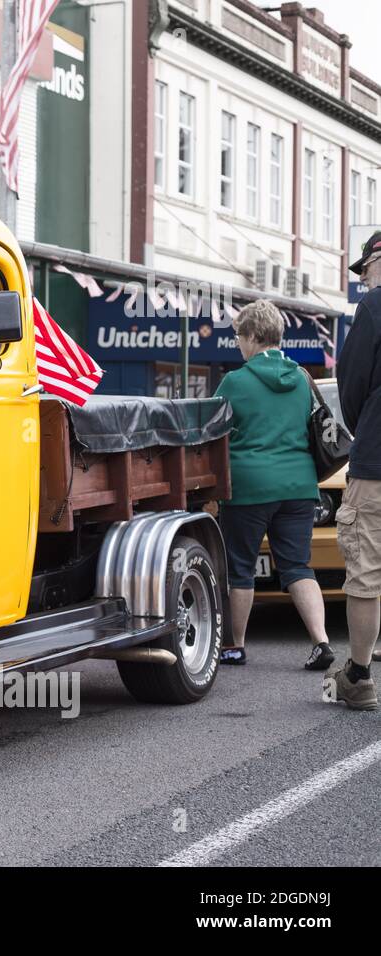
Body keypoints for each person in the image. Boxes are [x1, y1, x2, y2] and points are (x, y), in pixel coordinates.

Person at [213, 299, 332, 670]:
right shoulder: (302, 378)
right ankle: (322, 642)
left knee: (241, 568)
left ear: (252, 336)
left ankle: (235, 646)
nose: (238, 344)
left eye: (238, 337)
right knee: (298, 566)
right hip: (298, 485)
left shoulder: (235, 382)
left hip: (249, 486)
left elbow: (216, 434)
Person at [327, 231, 381, 710]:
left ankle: (360, 676)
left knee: (367, 572)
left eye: (363, 271)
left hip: (378, 464)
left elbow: (352, 385)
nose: (362, 281)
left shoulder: (373, 309)